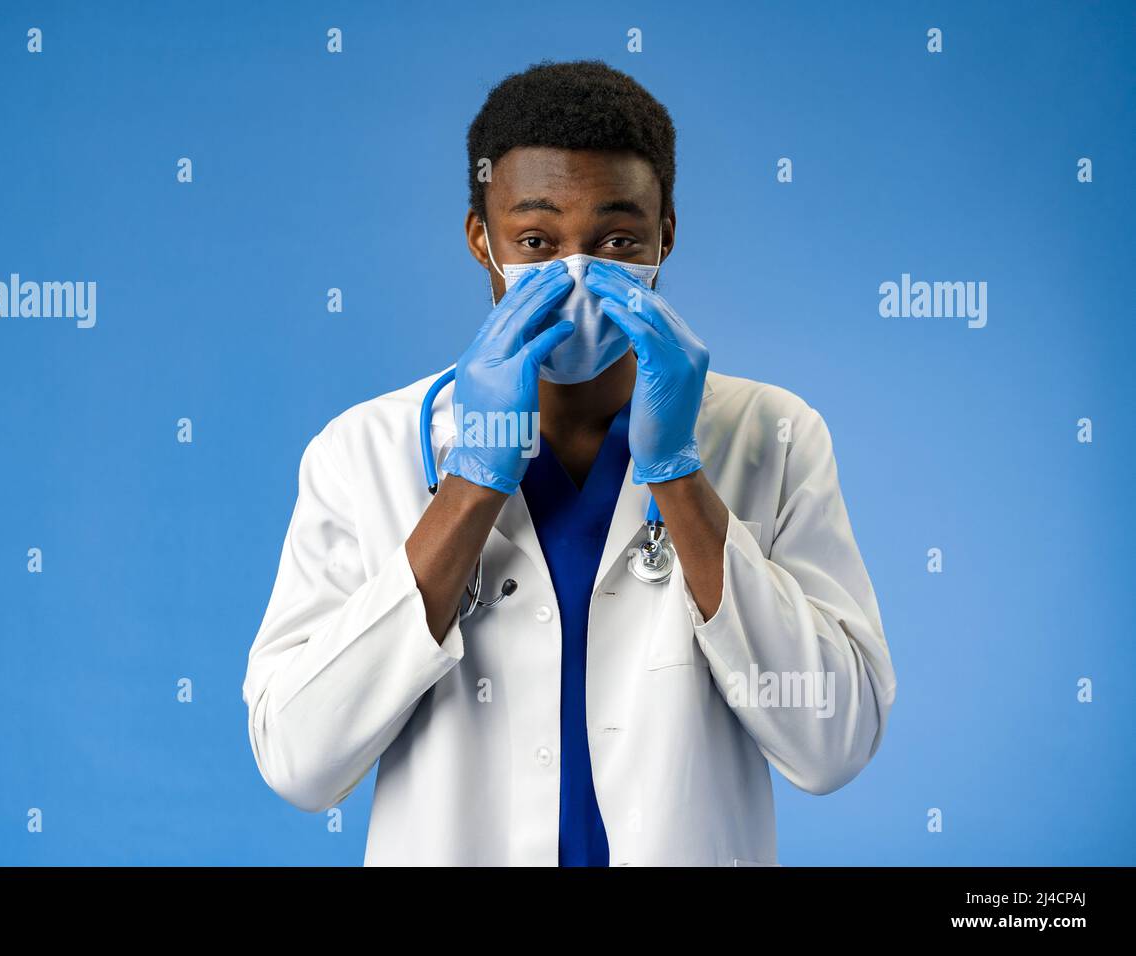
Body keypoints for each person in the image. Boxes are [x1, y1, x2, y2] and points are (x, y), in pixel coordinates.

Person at [242, 60, 896, 866]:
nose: (578, 275)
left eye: (617, 239)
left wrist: (679, 475)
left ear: (667, 236)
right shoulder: (362, 452)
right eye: (538, 241)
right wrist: (473, 482)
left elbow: (833, 742)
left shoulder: (775, 435)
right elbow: (299, 760)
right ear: (483, 239)